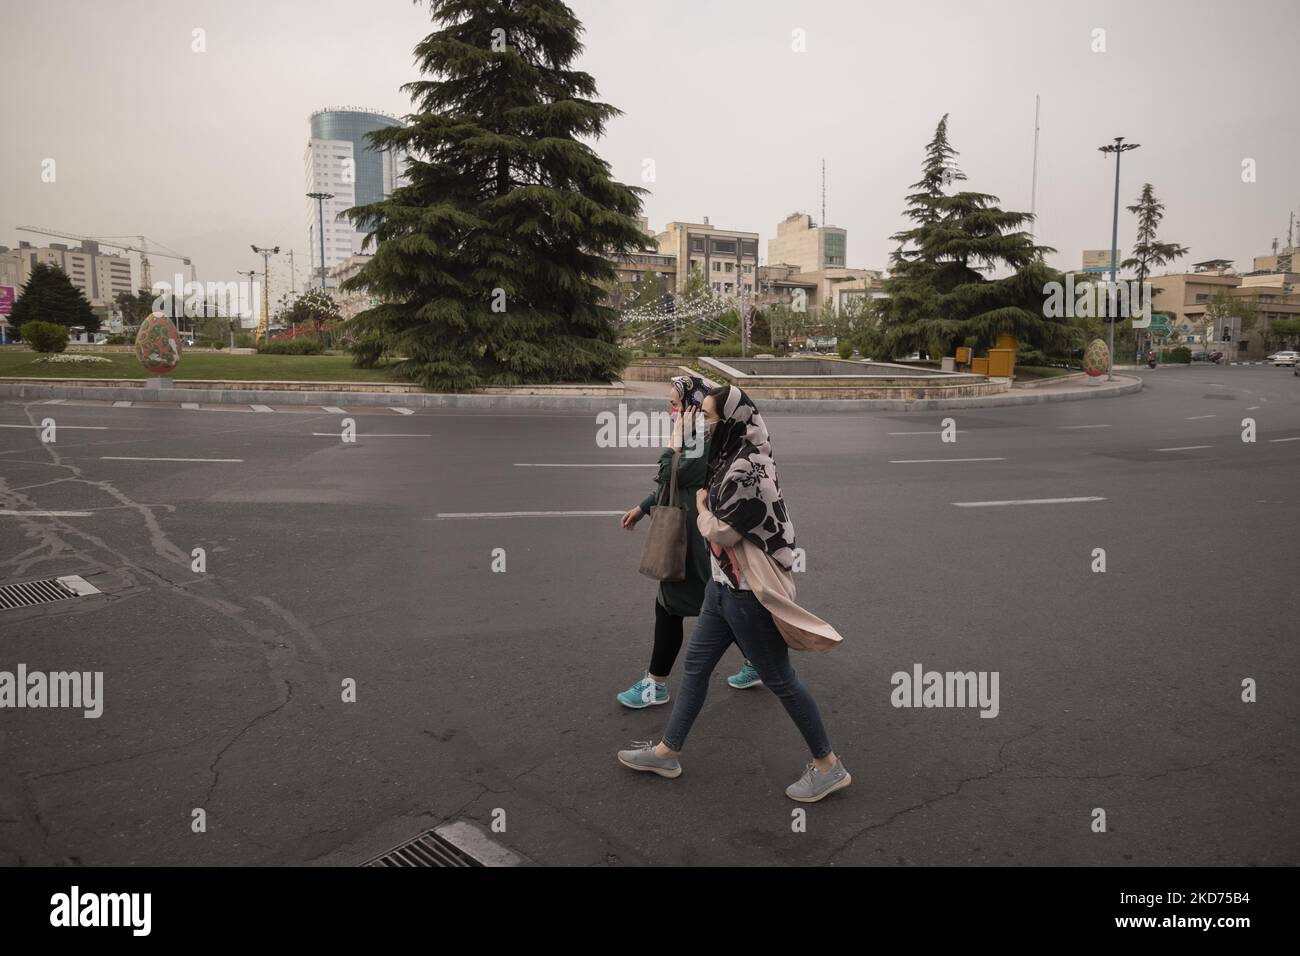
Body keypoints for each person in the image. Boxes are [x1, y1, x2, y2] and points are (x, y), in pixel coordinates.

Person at [617, 385, 850, 802]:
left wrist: (704, 506)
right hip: (722, 589)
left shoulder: (749, 464)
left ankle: (828, 766)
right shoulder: (729, 454)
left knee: (781, 679)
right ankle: (668, 751)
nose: (705, 424)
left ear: (732, 420)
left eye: (710, 418)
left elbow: (722, 528)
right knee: (695, 669)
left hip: (747, 593)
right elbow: (683, 483)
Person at [616, 375, 713, 708]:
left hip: (689, 535)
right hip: (691, 528)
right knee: (723, 607)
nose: (670, 408)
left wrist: (673, 442)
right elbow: (670, 484)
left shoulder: (700, 436)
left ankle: (655, 685)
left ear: (693, 406)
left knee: (670, 606)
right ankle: (759, 663)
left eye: (675, 403)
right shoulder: (696, 433)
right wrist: (643, 508)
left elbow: (669, 473)